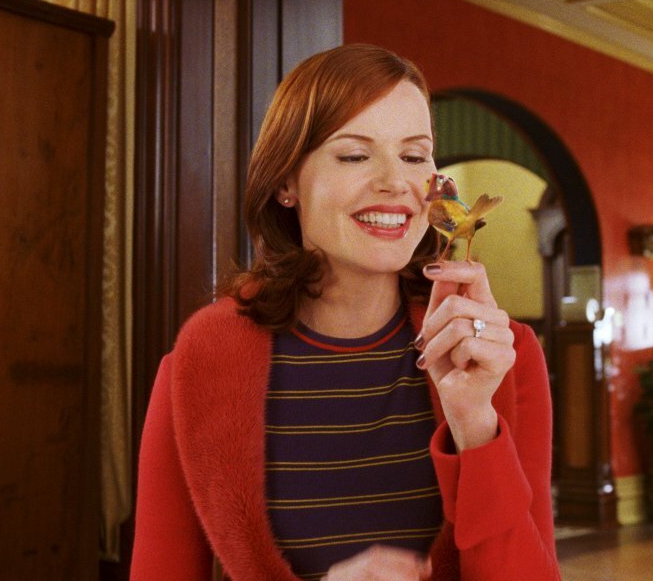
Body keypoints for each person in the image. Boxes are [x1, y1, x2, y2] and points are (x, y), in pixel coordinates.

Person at [131, 43, 560, 581]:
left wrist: (475, 424)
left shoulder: (504, 357)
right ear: (286, 182)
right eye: (355, 156)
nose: (395, 182)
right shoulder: (201, 365)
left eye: (415, 156)